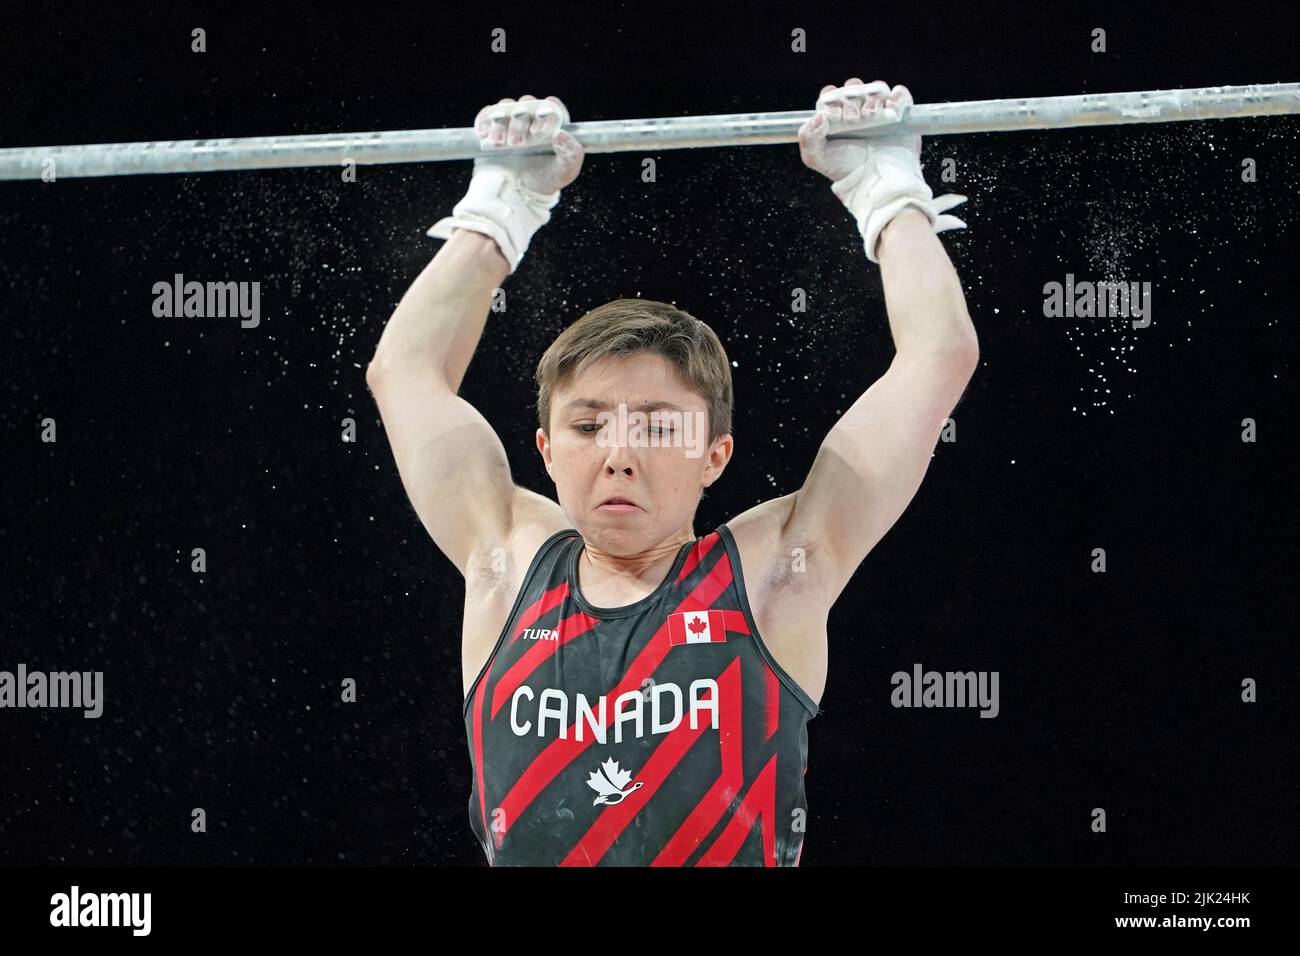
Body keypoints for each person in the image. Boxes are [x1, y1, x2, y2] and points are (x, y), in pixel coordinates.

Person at [365, 79, 977, 866]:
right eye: (587, 425)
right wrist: (498, 209)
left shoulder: (774, 575)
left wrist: (886, 189)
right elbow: (402, 375)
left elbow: (938, 360)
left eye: (656, 425)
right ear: (547, 454)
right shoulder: (505, 563)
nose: (618, 452)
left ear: (713, 455)